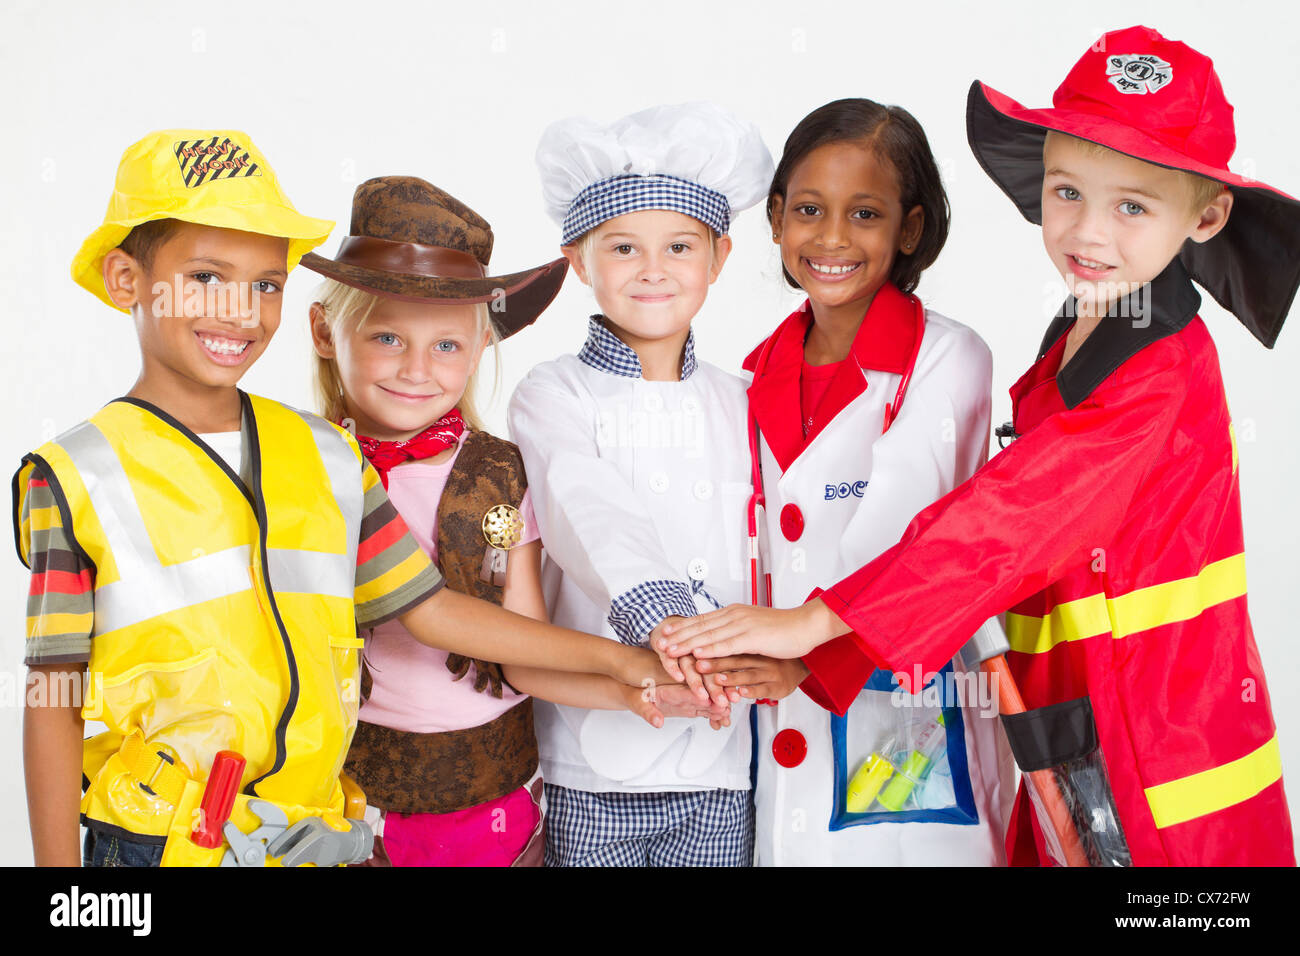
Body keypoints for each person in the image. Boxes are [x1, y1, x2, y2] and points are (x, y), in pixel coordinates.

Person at [663, 26, 1297, 865]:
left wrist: (814, 622)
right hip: (1072, 719)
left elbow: (1010, 518)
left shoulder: (1160, 366)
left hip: (1158, 752)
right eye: (1068, 192)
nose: (1088, 233)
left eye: (1132, 206)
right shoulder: (1088, 324)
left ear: (1208, 215)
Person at [15, 131, 672, 868]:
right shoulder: (75, 473)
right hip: (153, 843)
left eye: (266, 283)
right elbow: (54, 695)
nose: (239, 310)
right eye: (206, 277)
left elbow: (429, 610)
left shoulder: (328, 456)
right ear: (126, 279)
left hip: (311, 836)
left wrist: (622, 664)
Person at [303, 176, 723, 866]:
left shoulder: (501, 472)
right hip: (351, 806)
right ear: (325, 331)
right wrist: (622, 663)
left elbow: (523, 657)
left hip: (495, 810)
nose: (417, 369)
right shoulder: (310, 469)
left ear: (479, 349)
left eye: (447, 346)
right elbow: (425, 616)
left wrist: (637, 689)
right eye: (386, 336)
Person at [690, 98, 1014, 866]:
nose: (831, 238)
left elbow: (905, 535)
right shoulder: (751, 373)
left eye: (863, 213)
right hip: (777, 716)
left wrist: (805, 657)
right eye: (808, 209)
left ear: (908, 228)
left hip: (905, 709)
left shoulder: (949, 359)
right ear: (774, 219)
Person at [507, 102, 776, 866]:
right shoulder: (552, 392)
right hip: (593, 765)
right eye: (623, 247)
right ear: (579, 261)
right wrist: (666, 624)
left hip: (725, 757)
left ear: (719, 259)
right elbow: (587, 507)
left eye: (680, 246)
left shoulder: (746, 397)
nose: (653, 269)